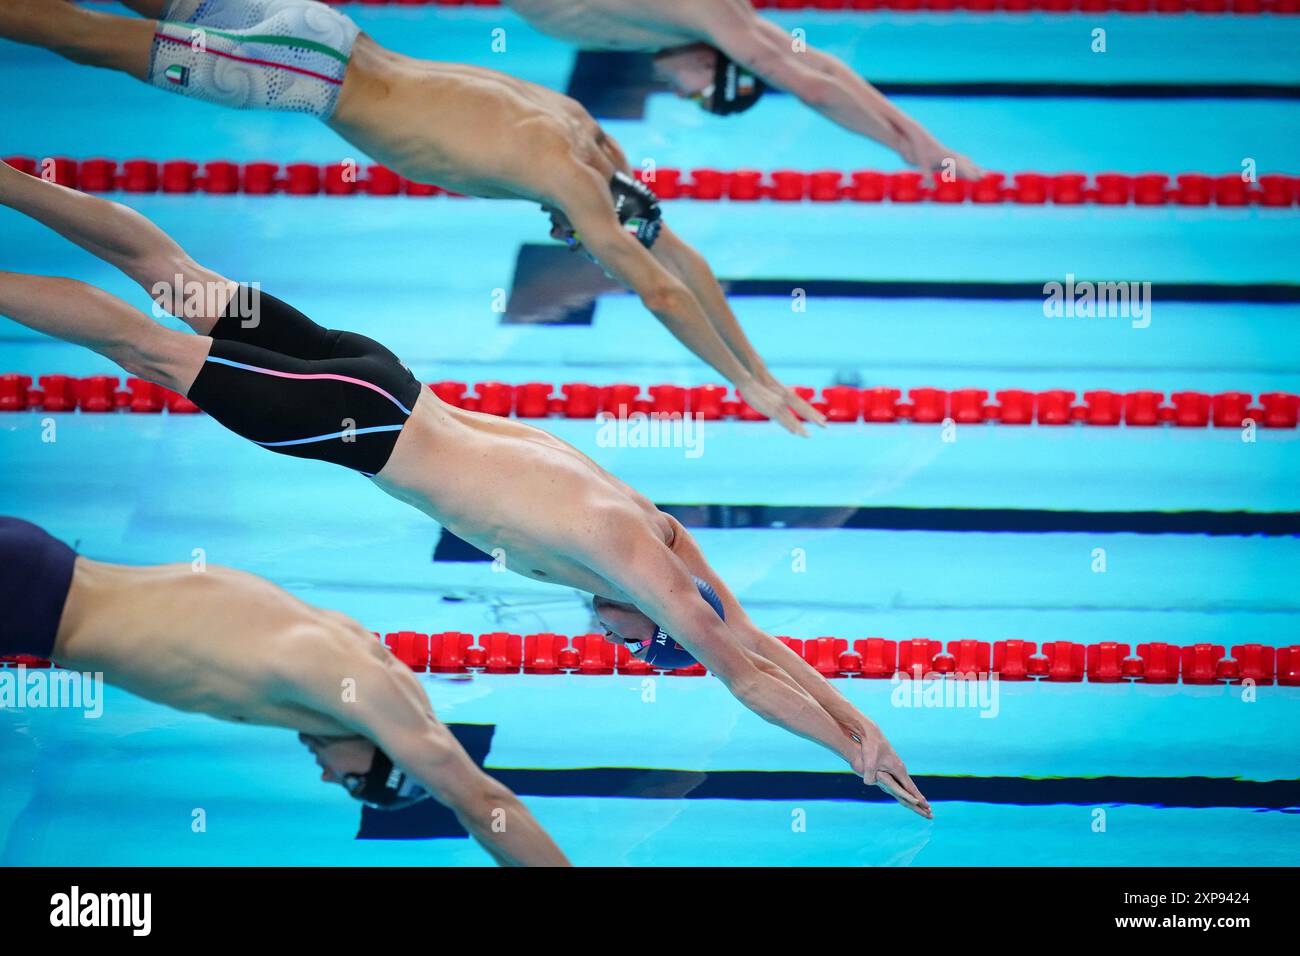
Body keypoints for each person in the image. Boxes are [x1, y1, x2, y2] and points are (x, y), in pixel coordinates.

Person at [0, 160, 931, 819]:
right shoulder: (626, 555)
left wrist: (864, 722)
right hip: (352, 422)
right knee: (149, 347)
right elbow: (738, 672)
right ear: (652, 620)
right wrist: (846, 753)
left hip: (375, 380)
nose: (611, 644)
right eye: (644, 651)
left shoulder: (647, 535)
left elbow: (748, 634)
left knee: (181, 283)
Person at [0, 0, 823, 435]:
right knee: (85, 39)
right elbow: (665, 289)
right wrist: (745, 383)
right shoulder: (574, 185)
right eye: (587, 241)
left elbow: (674, 254)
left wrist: (762, 368)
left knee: (140, 8)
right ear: (601, 218)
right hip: (300, 75)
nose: (572, 243)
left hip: (329, 34)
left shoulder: (586, 136)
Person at [0, 515, 570, 866]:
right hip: (27, 595)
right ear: (383, 750)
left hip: (36, 578)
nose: (326, 775)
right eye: (352, 780)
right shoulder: (347, 680)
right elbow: (484, 803)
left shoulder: (343, 662)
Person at [503, 0, 982, 179]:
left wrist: (927, 147)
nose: (679, 94)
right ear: (716, 64)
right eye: (697, 95)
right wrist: (911, 150)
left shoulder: (710, 24)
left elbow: (816, 63)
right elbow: (812, 87)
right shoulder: (711, 15)